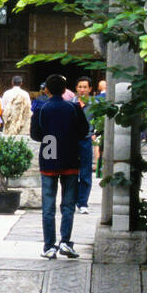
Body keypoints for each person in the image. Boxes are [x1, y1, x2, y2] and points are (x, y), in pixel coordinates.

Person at [31, 73, 89, 260]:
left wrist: (51, 138)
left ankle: (49, 245)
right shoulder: (73, 109)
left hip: (49, 154)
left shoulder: (42, 109)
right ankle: (65, 241)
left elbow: (36, 134)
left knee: (48, 205)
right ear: (65, 90)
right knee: (68, 204)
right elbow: (84, 131)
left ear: (46, 89)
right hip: (70, 156)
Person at [74, 76, 96, 214]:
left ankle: (83, 202)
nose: (82, 89)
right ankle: (72, 200)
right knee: (71, 172)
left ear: (90, 89)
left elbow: (100, 120)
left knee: (85, 172)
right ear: (76, 88)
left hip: (86, 139)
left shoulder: (95, 104)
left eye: (85, 87)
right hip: (72, 140)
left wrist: (95, 133)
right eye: (80, 87)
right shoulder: (70, 103)